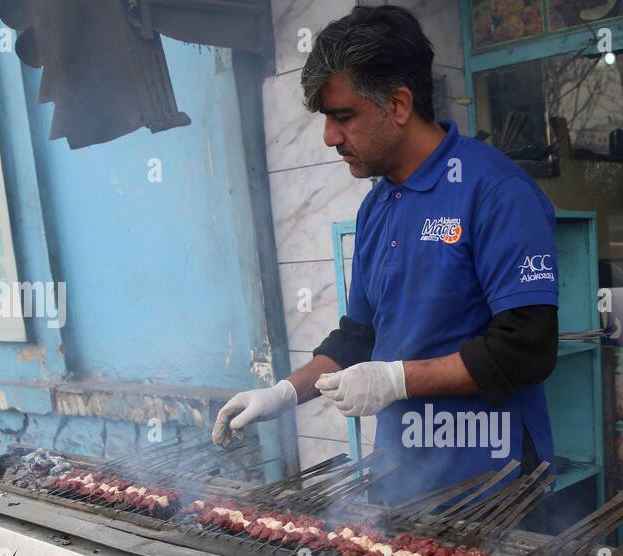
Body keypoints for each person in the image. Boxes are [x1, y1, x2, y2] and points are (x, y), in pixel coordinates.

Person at [211, 4, 559, 503]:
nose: (330, 137)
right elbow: (359, 336)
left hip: (491, 479)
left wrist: (396, 378)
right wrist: (284, 394)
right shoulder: (378, 205)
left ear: (398, 104)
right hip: (400, 474)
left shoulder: (496, 190)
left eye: (343, 116)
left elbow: (527, 347)